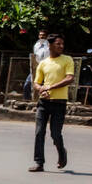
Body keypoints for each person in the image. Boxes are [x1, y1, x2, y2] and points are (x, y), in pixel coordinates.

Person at [30, 31, 74, 172]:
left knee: (55, 133)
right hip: (43, 102)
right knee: (39, 132)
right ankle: (39, 162)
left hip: (59, 102)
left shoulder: (67, 60)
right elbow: (36, 83)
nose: (61, 46)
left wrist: (51, 87)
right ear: (50, 45)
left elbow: (69, 78)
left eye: (62, 44)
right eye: (58, 44)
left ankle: (62, 152)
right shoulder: (43, 63)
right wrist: (41, 89)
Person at [25, 29, 49, 99]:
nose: (41, 37)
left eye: (43, 35)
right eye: (40, 35)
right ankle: (27, 101)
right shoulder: (36, 45)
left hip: (45, 69)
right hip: (36, 68)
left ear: (46, 37)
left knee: (44, 86)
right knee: (28, 84)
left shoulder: (49, 46)